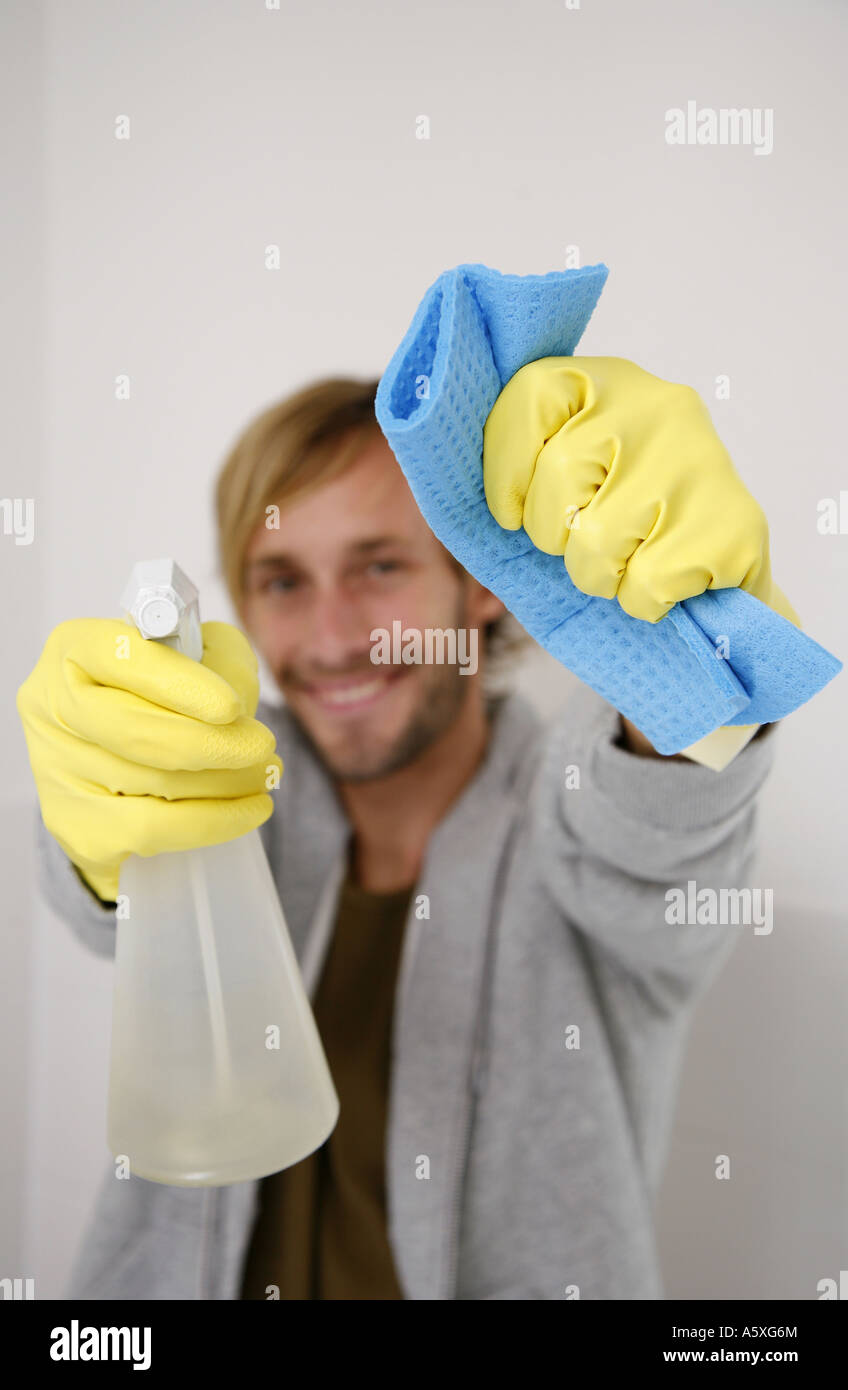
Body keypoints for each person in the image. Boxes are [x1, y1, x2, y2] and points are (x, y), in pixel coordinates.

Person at [17, 366, 785, 1300]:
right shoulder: (230, 793)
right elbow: (111, 910)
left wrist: (687, 664)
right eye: (282, 579)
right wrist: (101, 831)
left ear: (480, 588)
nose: (334, 636)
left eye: (379, 566)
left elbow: (659, 840)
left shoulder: (577, 812)